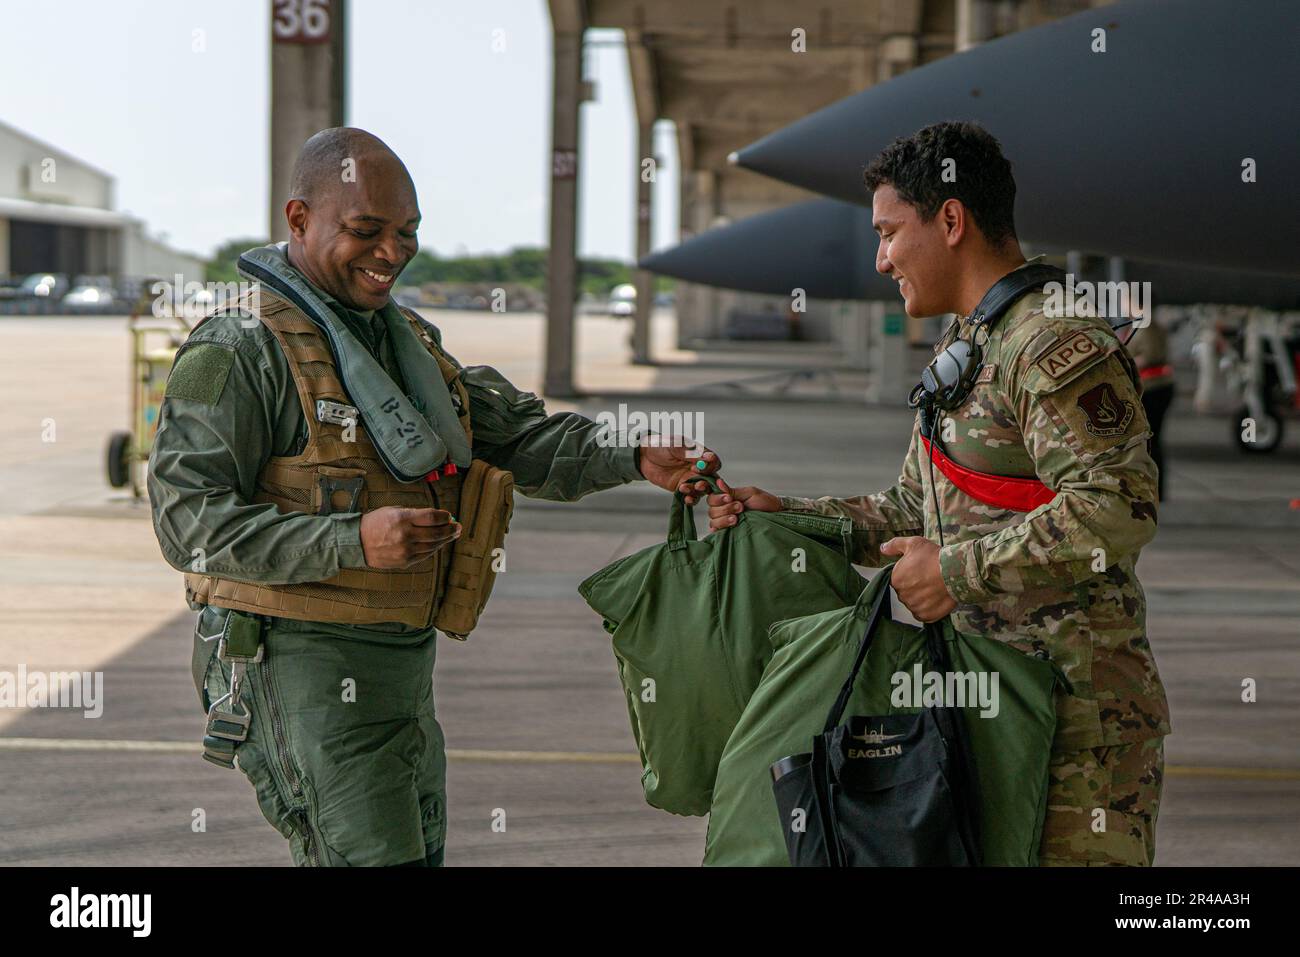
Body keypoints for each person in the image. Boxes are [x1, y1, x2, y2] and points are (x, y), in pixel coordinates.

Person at [148, 127, 718, 866]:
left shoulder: (408, 341)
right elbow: (185, 522)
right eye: (366, 231)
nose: (392, 252)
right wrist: (353, 541)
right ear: (298, 220)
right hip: (299, 666)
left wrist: (636, 457)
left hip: (401, 668)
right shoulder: (237, 348)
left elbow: (514, 437)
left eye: (407, 233)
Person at [684, 122, 1171, 866]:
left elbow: (1117, 508)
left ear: (950, 220)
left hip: (1079, 717)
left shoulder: (1050, 345)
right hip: (990, 699)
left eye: (888, 233)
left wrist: (955, 572)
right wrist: (791, 514)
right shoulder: (969, 347)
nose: (881, 258)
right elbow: (912, 510)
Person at [1126, 314, 1175, 501]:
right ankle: (1153, 489)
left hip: (1153, 387)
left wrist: (1124, 361)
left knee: (1151, 440)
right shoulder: (1147, 324)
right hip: (1155, 386)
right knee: (1152, 440)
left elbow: (1151, 356)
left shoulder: (1147, 327)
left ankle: (1153, 489)